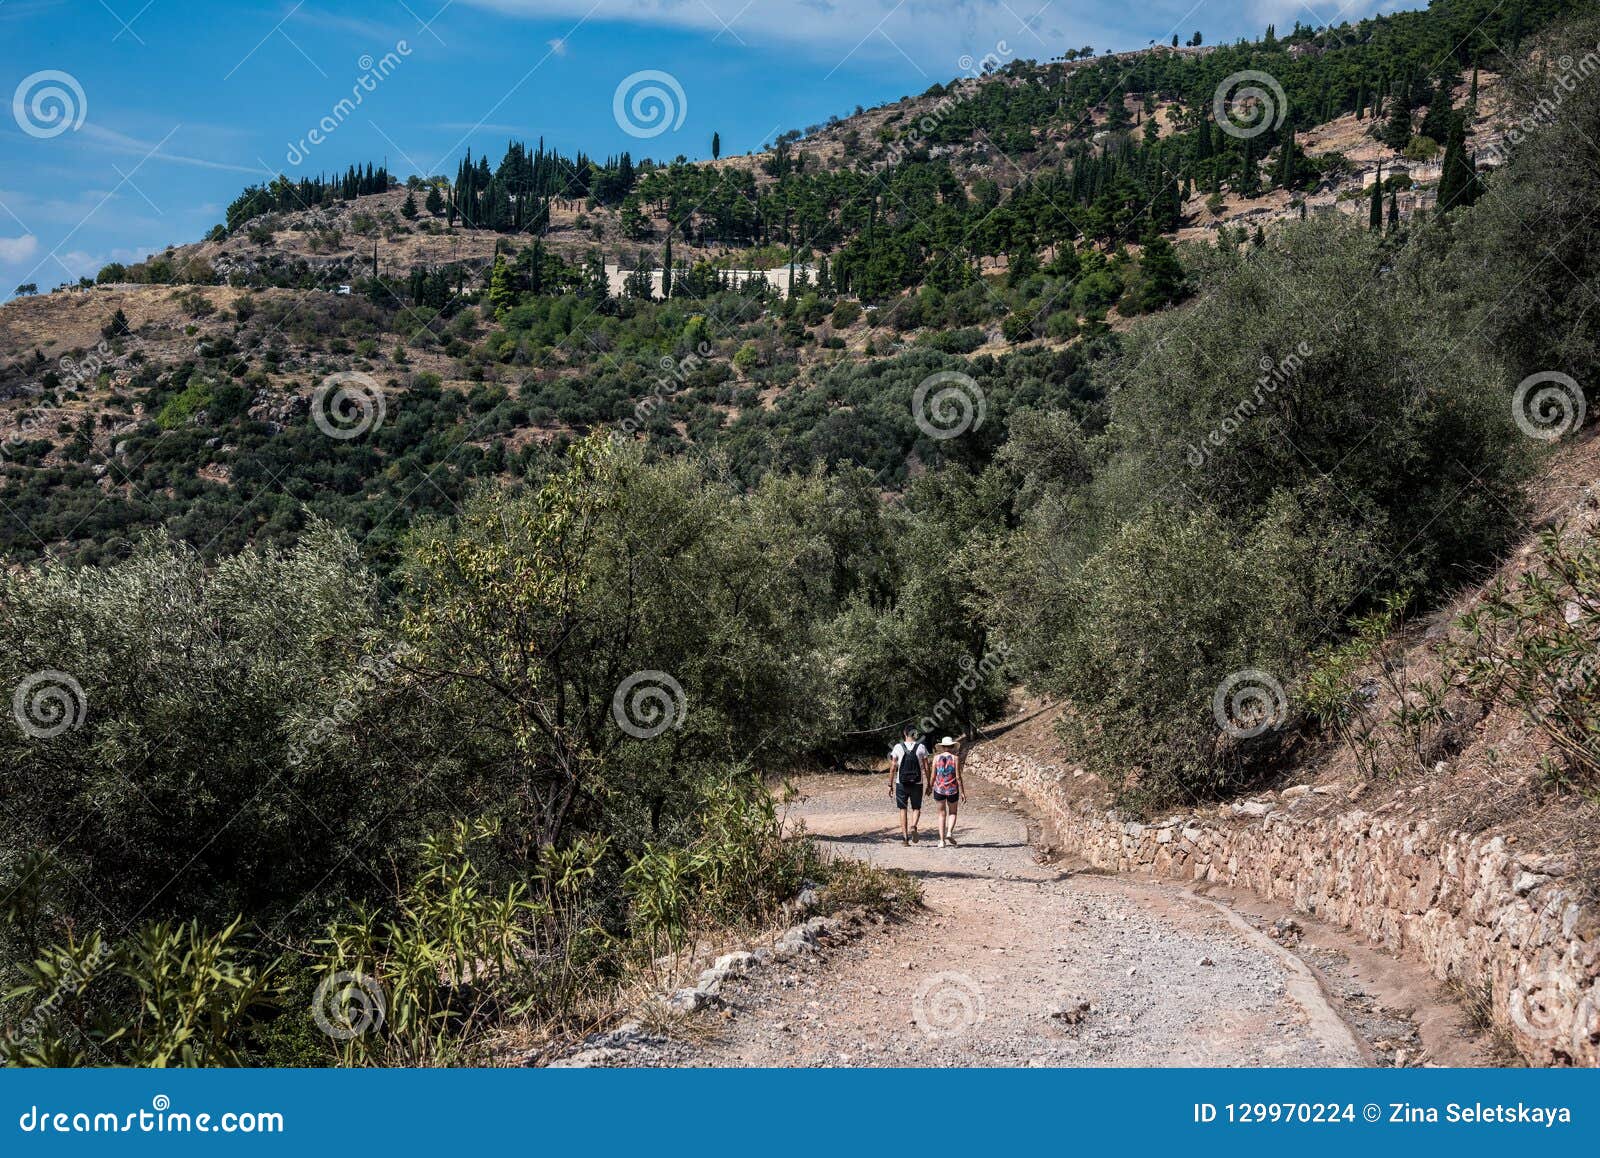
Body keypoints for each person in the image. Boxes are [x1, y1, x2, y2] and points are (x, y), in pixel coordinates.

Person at [887, 725, 928, 845]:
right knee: (916, 808)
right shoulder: (921, 747)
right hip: (917, 782)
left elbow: (893, 766)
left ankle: (905, 838)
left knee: (903, 809)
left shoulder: (898, 747)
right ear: (914, 734)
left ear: (904, 733)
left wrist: (890, 784)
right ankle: (914, 826)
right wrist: (930, 783)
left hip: (901, 783)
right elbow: (926, 767)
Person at [929, 737, 964, 847]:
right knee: (953, 812)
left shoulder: (936, 758)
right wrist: (963, 792)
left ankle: (941, 841)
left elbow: (933, 775)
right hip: (952, 789)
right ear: (953, 747)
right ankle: (949, 832)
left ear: (943, 747)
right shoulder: (955, 758)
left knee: (941, 814)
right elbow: (958, 777)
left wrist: (929, 787)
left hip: (939, 789)